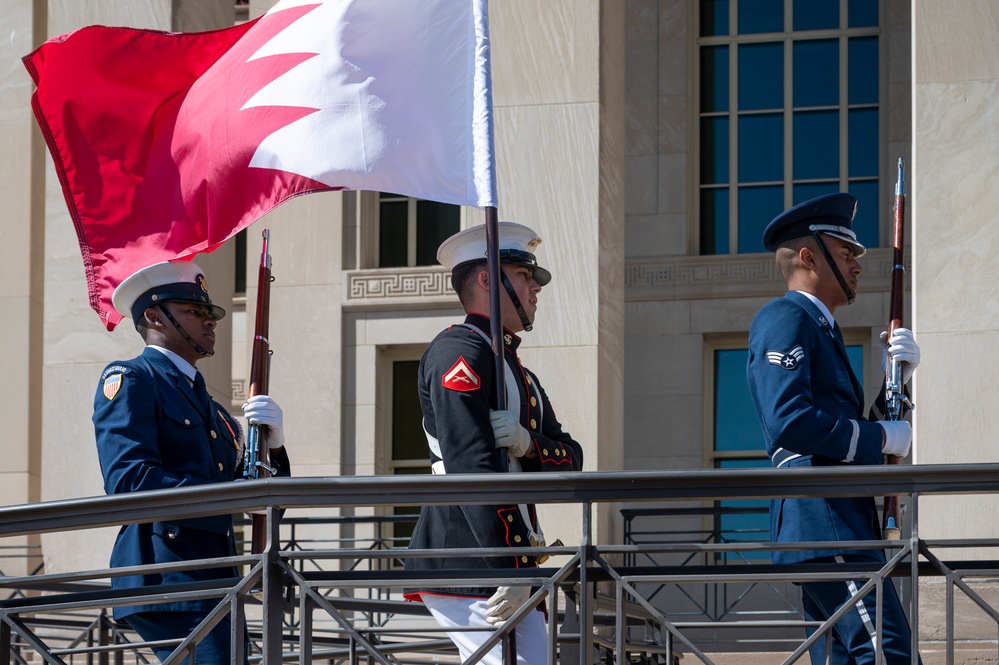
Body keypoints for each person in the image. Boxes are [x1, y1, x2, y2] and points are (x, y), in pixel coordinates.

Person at [746, 193, 922, 664]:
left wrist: (895, 380)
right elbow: (790, 421)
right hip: (824, 521)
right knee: (886, 652)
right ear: (808, 257)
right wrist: (881, 437)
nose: (858, 266)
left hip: (833, 521)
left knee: (843, 657)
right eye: (846, 254)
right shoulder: (784, 317)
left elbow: (839, 427)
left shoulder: (819, 328)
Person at [93, 260, 290, 664]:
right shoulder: (132, 378)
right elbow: (129, 480)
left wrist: (276, 446)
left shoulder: (213, 410)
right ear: (153, 316)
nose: (210, 322)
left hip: (212, 573)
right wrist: (229, 497)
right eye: (195, 312)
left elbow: (262, 497)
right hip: (167, 574)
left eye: (210, 314)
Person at [404, 222, 584, 664]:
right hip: (470, 557)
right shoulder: (459, 352)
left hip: (499, 562)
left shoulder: (517, 370)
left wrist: (528, 444)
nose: (536, 288)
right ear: (488, 279)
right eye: (524, 276)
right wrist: (510, 562)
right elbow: (471, 464)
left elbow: (571, 457)